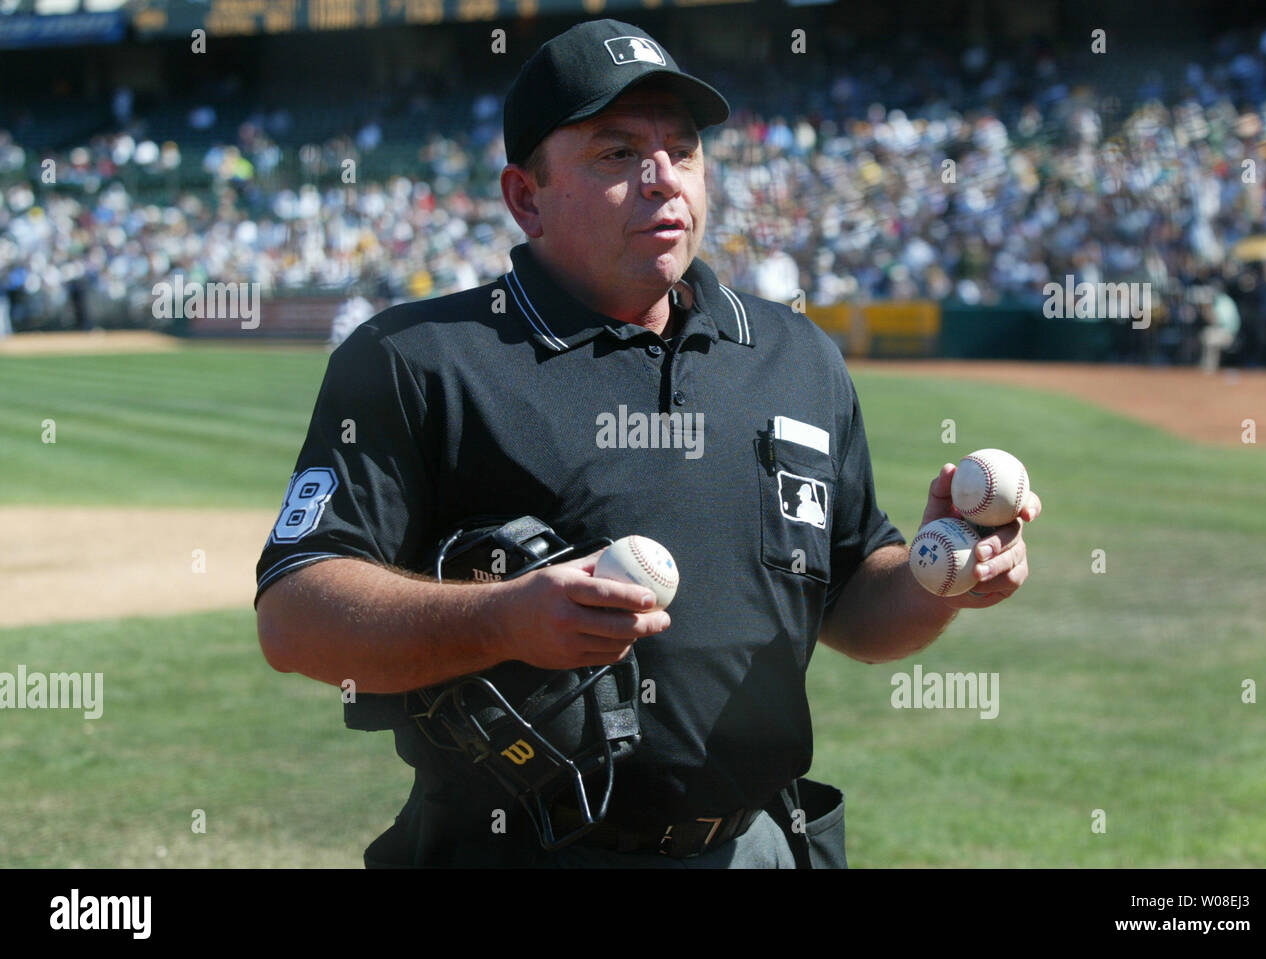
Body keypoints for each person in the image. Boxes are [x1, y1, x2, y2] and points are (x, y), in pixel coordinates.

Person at [254, 19, 1041, 869]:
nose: (663, 178)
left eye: (684, 149)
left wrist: (942, 574)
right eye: (616, 153)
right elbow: (295, 616)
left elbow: (854, 598)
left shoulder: (793, 357)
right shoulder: (419, 360)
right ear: (526, 197)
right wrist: (503, 618)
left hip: (761, 845)